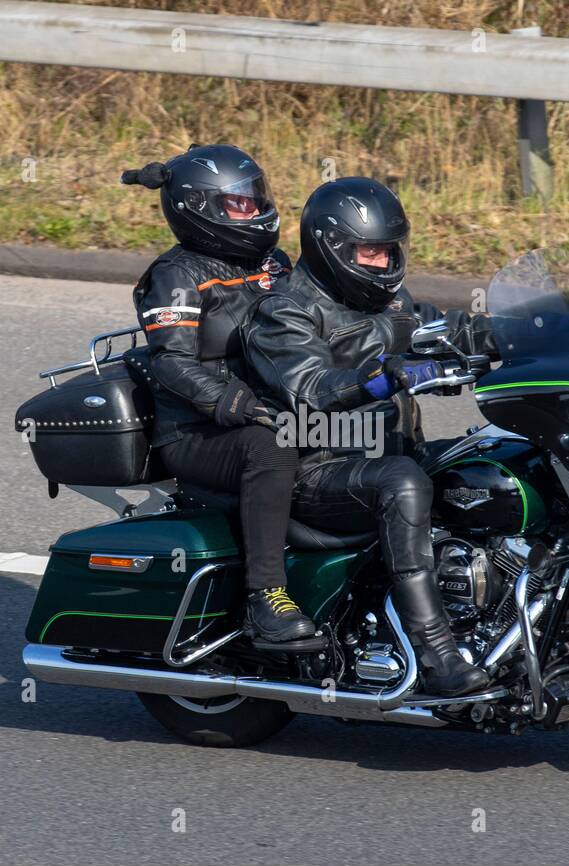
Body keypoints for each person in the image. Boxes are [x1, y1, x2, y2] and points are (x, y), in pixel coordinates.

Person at [243, 177, 499, 696]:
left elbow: (446, 330)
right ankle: (435, 655)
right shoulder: (285, 311)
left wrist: (531, 327)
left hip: (389, 450)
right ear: (330, 247)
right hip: (316, 469)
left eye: (389, 250)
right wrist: (385, 376)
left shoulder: (391, 300)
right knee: (403, 482)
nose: (383, 263)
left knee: (497, 462)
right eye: (369, 251)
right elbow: (309, 391)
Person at [122, 144, 314, 645]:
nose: (252, 210)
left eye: (255, 198)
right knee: (271, 448)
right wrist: (236, 403)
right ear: (199, 208)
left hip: (274, 409)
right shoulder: (175, 276)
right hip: (197, 432)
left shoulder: (274, 263)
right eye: (237, 204)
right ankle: (265, 597)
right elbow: (171, 362)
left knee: (373, 421)